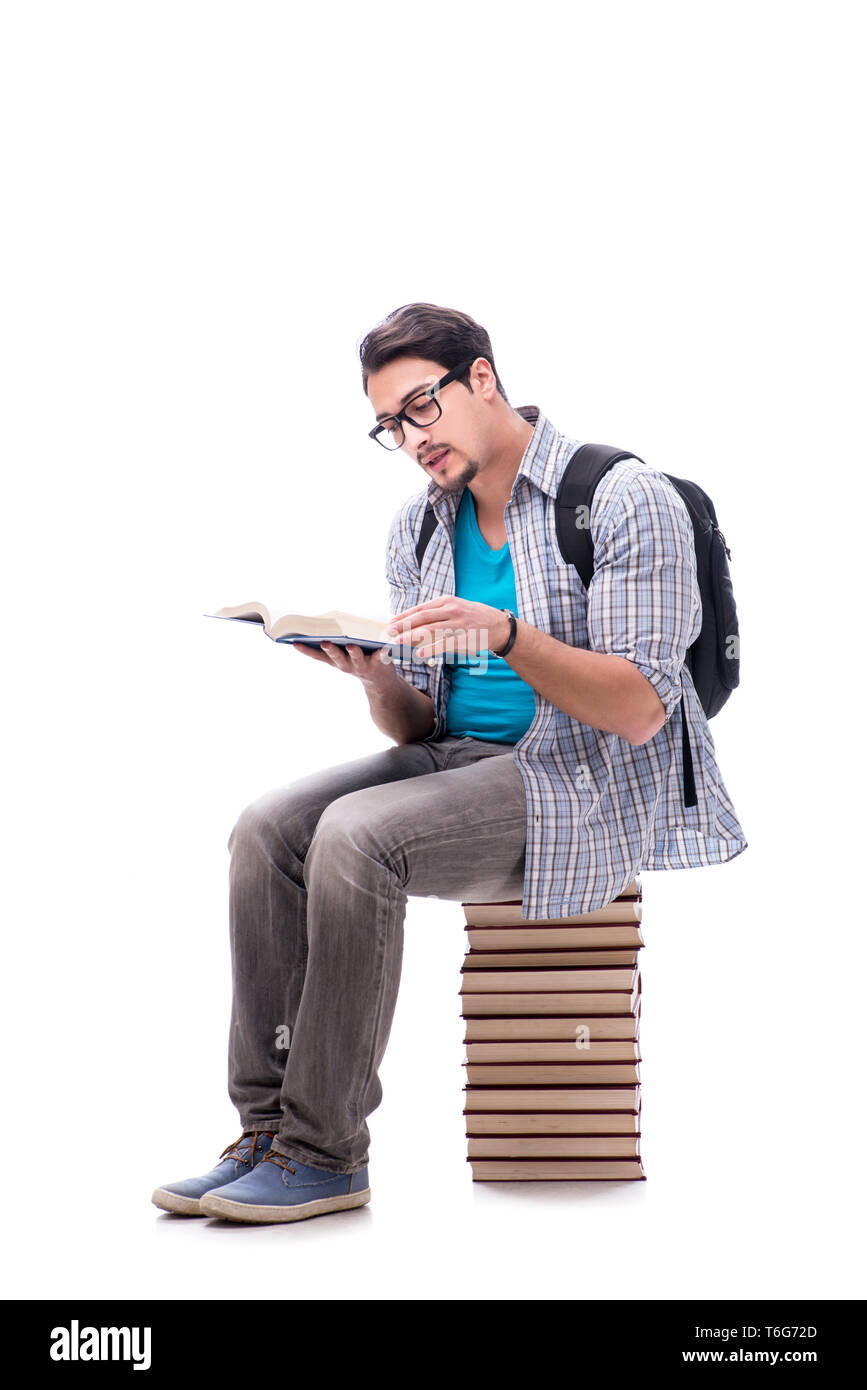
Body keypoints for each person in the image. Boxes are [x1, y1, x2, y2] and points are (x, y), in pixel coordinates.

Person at [152, 301, 747, 1225]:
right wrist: (374, 675)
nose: (409, 438)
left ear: (482, 379)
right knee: (266, 827)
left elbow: (638, 708)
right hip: (458, 761)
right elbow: (416, 728)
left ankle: (324, 1152)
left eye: (420, 407)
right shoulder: (420, 527)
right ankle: (266, 1133)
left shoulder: (623, 496)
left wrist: (506, 633)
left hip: (584, 779)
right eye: (389, 425)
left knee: (355, 837)